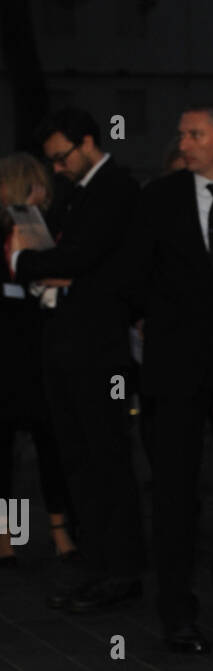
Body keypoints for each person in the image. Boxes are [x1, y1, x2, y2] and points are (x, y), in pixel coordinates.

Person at [121, 105, 213, 652]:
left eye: (195, 133)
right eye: (180, 133)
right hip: (173, 372)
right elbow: (133, 277)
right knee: (175, 493)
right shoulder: (159, 197)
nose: (184, 142)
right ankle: (176, 612)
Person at [8, 108, 145, 612]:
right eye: (52, 161)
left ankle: (121, 569)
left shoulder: (117, 188)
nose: (58, 167)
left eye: (62, 156)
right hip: (68, 345)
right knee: (78, 460)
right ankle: (98, 565)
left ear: (89, 141)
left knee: (105, 459)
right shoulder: (78, 190)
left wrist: (27, 262)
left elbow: (82, 261)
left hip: (98, 350)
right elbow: (72, 261)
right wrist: (58, 272)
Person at [0, 152, 75, 567]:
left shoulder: (55, 228)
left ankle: (60, 529)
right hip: (9, 348)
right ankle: (5, 534)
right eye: (37, 184)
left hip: (43, 344)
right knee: (4, 446)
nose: (44, 192)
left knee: (51, 440)